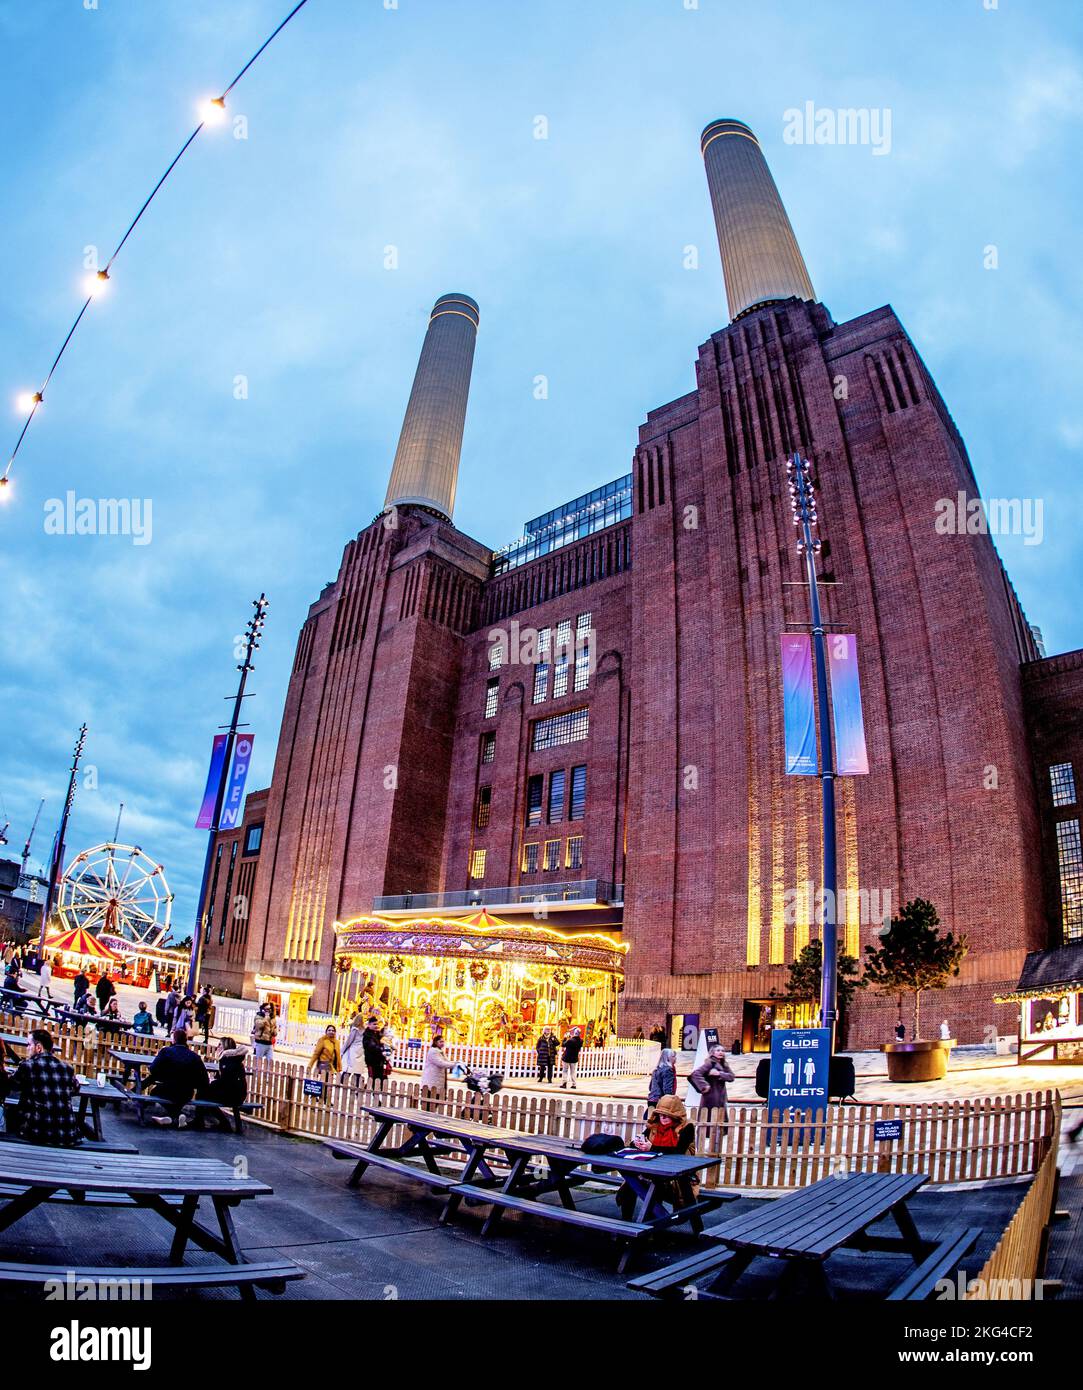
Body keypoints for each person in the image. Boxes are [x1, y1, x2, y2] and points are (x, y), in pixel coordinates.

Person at [617, 1094, 698, 1220]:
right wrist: (638, 1143)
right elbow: (636, 1142)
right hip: (651, 1173)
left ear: (676, 1115)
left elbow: (678, 1152)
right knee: (630, 1184)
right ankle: (625, 1225)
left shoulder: (687, 1128)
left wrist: (652, 1148)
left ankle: (650, 1229)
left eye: (667, 1115)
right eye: (660, 1114)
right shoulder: (654, 1126)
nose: (663, 1117)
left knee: (655, 1188)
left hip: (677, 1179)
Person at [8, 1029, 79, 1147]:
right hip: (67, 1134)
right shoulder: (67, 1068)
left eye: (29, 1045)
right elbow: (75, 1089)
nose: (27, 1048)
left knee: (10, 1109)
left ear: (38, 1047)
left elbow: (12, 1085)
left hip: (38, 1132)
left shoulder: (28, 1065)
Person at [146, 1029, 210, 1127]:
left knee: (154, 1092)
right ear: (186, 1040)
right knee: (177, 1096)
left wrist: (164, 1075)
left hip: (167, 1089)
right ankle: (175, 1116)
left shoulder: (166, 1051)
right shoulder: (195, 1057)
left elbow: (153, 1069)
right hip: (187, 1093)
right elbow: (204, 1079)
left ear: (174, 1040)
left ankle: (174, 1115)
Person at [195, 1037, 249, 1132]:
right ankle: (223, 1122)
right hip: (239, 1094)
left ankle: (202, 1121)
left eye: (220, 1045)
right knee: (205, 1094)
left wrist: (212, 1083)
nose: (217, 1047)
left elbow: (225, 1081)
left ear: (226, 1047)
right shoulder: (236, 1060)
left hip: (232, 1095)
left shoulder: (226, 1060)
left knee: (201, 1093)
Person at [688, 1044, 735, 1119]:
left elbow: (731, 1077)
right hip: (710, 1097)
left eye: (722, 1051)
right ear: (712, 1053)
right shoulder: (710, 1063)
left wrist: (719, 1074)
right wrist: (704, 1086)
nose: (721, 1052)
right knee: (708, 1119)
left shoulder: (724, 1064)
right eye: (718, 1050)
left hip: (721, 1097)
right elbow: (695, 1074)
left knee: (721, 1120)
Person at [420, 1034, 456, 1108]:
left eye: (443, 1042)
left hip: (438, 1080)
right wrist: (454, 1065)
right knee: (429, 1101)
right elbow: (440, 1063)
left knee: (435, 1101)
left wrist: (456, 1063)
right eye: (440, 1042)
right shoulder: (433, 1051)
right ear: (436, 1042)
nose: (442, 1043)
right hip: (431, 1080)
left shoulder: (440, 1051)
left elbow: (446, 1061)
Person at [339, 1012, 367, 1080]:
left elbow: (349, 1041)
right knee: (358, 1069)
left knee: (349, 1068)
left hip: (353, 1050)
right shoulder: (364, 1030)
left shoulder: (355, 1029)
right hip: (360, 1050)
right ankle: (357, 1084)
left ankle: (343, 1080)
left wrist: (342, 1051)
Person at [362, 1018, 390, 1084]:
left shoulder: (377, 1034)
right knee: (373, 1079)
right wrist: (381, 1050)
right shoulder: (367, 1035)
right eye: (374, 1024)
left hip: (379, 1060)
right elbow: (371, 1046)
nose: (376, 1026)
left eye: (377, 1024)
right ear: (369, 1025)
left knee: (380, 1079)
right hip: (372, 1061)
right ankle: (366, 1091)